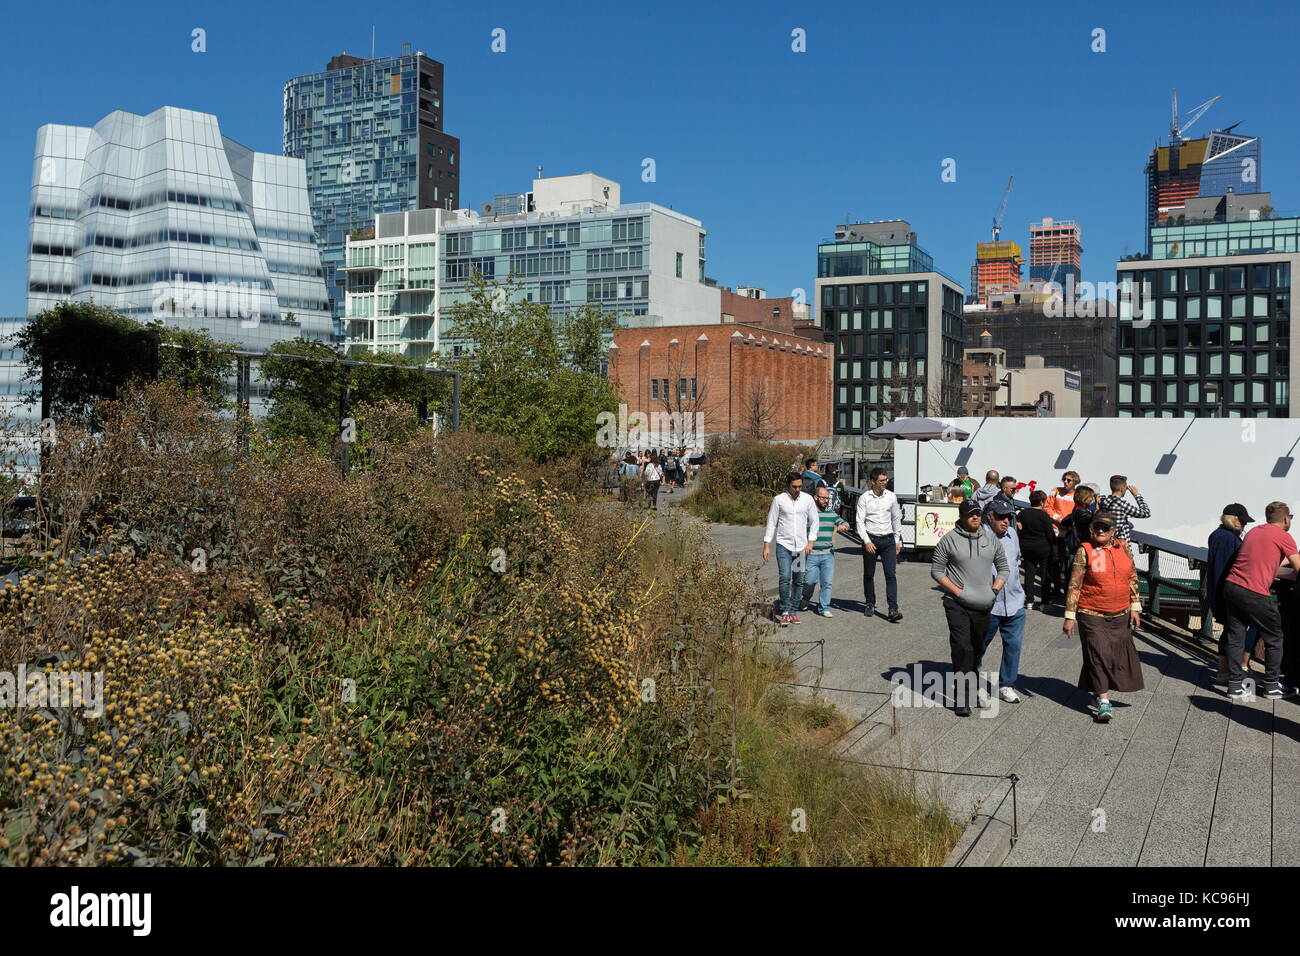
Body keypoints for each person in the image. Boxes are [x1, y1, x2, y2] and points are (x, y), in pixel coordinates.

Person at [1062, 512, 1144, 723]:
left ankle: (1100, 688)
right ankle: (1103, 700)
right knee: (1097, 653)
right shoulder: (1085, 550)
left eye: (1105, 528)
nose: (1100, 531)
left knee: (1114, 654)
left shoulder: (1123, 547)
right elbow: (1074, 584)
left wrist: (1135, 606)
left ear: (1113, 531)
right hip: (1091, 612)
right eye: (1096, 527)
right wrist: (1070, 616)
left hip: (1120, 612)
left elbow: (1132, 576)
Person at [931, 499, 1010, 716]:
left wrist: (994, 590)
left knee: (976, 649)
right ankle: (963, 697)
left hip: (984, 604)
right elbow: (937, 571)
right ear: (962, 516)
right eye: (971, 514)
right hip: (957, 603)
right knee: (962, 646)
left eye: (978, 514)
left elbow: (1003, 568)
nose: (975, 517)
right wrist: (958, 592)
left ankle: (971, 684)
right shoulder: (949, 540)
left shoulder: (990, 539)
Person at [1221, 501, 1300, 700]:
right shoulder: (1284, 536)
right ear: (1285, 519)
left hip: (1232, 586)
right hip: (1254, 591)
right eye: (1290, 518)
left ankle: (1235, 685)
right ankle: (1272, 685)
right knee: (1275, 636)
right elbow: (1298, 567)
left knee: (1236, 636)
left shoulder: (1255, 532)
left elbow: (1269, 559)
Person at [1207, 503, 1258, 684]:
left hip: (1221, 591)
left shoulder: (1218, 535)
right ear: (1235, 519)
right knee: (1237, 631)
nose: (1244, 525)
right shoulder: (1227, 538)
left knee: (1230, 631)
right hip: (1228, 593)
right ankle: (1232, 670)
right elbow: (1224, 569)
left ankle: (1224, 671)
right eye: (1243, 521)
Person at [762, 471, 819, 628]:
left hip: (800, 548)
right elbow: (771, 522)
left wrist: (810, 542)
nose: (798, 489)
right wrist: (766, 545)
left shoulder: (807, 500)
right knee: (785, 577)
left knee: (799, 580)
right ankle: (785, 611)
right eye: (795, 487)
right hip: (784, 546)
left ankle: (793, 611)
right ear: (788, 485)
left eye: (800, 486)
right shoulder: (779, 500)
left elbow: (815, 521)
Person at [984, 499, 1026, 703]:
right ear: (990, 516)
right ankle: (970, 681)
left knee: (1013, 646)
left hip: (1014, 602)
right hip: (989, 605)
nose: (1006, 520)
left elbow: (1016, 560)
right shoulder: (979, 536)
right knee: (978, 645)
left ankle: (1006, 685)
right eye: (1001, 517)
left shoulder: (1012, 534)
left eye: (1009, 516)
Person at [855, 466, 904, 622]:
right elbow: (859, 522)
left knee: (891, 575)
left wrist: (897, 539)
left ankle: (893, 609)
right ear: (873, 482)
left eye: (886, 479)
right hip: (872, 539)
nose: (885, 482)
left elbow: (896, 518)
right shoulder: (864, 498)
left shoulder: (891, 496)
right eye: (882, 480)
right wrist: (867, 541)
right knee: (869, 574)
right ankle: (870, 602)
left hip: (888, 540)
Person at [800, 485, 851, 617]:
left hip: (828, 554)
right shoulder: (808, 515)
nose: (826, 501)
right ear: (815, 497)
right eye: (823, 498)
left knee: (827, 582)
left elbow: (846, 523)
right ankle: (805, 598)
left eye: (828, 498)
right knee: (809, 581)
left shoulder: (831, 514)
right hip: (811, 554)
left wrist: (843, 526)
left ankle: (824, 608)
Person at [1045, 471, 1081, 609]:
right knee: (1054, 562)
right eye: (1064, 479)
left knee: (1068, 565)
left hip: (1068, 534)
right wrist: (1058, 519)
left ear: (1075, 482)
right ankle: (1055, 587)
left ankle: (1067, 592)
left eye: (1069, 480)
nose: (1065, 482)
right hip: (1054, 532)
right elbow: (1047, 507)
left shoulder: (1077, 496)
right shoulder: (1055, 491)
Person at [1017, 489, 1057, 609]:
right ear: (1041, 502)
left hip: (1027, 546)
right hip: (1043, 547)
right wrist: (1055, 549)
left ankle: (1029, 600)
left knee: (1029, 573)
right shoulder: (1044, 515)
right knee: (1045, 574)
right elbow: (1050, 534)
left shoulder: (1023, 513)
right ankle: (1044, 602)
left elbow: (1019, 526)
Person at [1098, 475, 1151, 546]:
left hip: (1107, 543)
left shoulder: (1104, 501)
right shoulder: (1121, 504)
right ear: (1122, 488)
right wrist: (1137, 495)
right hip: (1120, 546)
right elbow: (1146, 513)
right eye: (1125, 487)